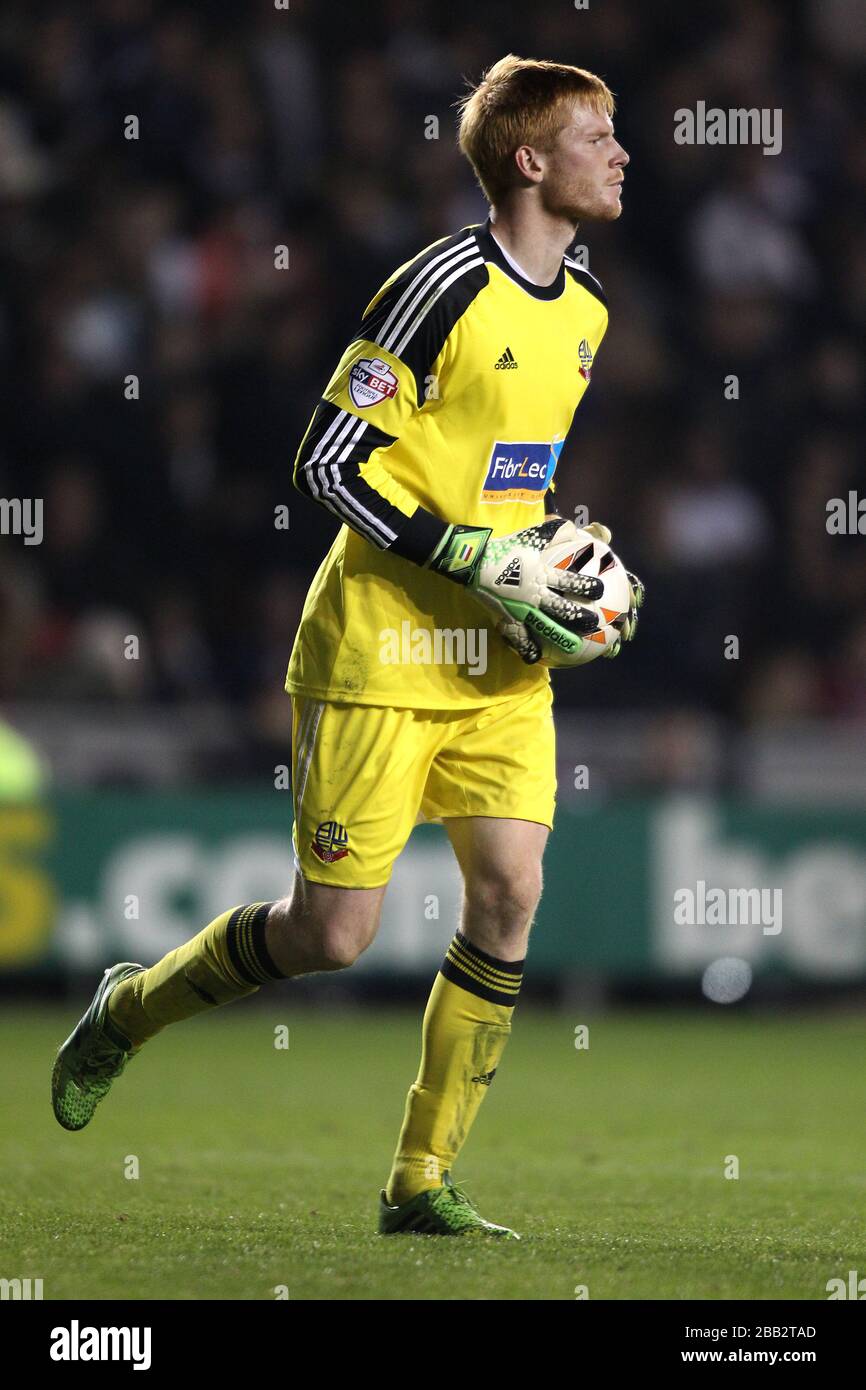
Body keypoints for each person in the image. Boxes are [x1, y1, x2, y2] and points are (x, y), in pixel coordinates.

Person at [52, 54, 643, 1239]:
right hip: (380, 648)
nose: (620, 152)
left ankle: (418, 1180)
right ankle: (130, 1008)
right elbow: (326, 460)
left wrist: (558, 561)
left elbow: (498, 473)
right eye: (595, 134)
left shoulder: (585, 303)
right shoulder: (437, 286)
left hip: (496, 664)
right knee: (330, 933)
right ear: (528, 161)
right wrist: (470, 557)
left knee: (511, 892)